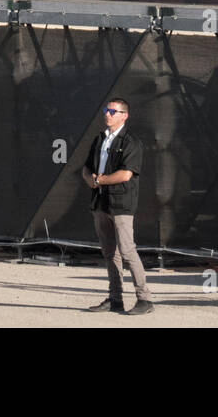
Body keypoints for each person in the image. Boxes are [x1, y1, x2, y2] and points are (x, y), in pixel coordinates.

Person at [81, 98, 153, 315]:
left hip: (121, 204)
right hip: (100, 203)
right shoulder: (100, 139)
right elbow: (86, 168)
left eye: (113, 111)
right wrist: (90, 180)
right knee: (109, 253)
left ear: (124, 116)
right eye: (106, 110)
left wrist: (99, 180)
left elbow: (125, 174)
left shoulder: (131, 142)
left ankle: (144, 299)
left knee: (127, 251)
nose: (107, 114)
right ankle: (115, 299)